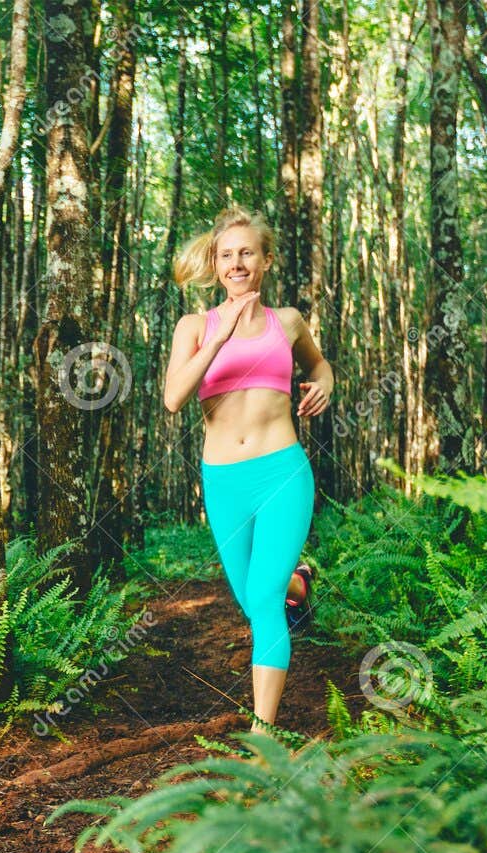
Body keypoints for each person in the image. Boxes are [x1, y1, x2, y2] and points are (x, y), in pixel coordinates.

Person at [161, 205, 334, 731]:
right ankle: (300, 584)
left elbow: (317, 364)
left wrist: (325, 380)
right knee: (254, 599)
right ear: (216, 265)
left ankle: (264, 734)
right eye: (227, 255)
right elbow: (173, 399)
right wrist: (219, 337)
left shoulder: (288, 321)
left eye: (247, 254)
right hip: (224, 480)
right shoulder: (194, 326)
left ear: (266, 260)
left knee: (262, 600)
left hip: (282, 472)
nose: (237, 263)